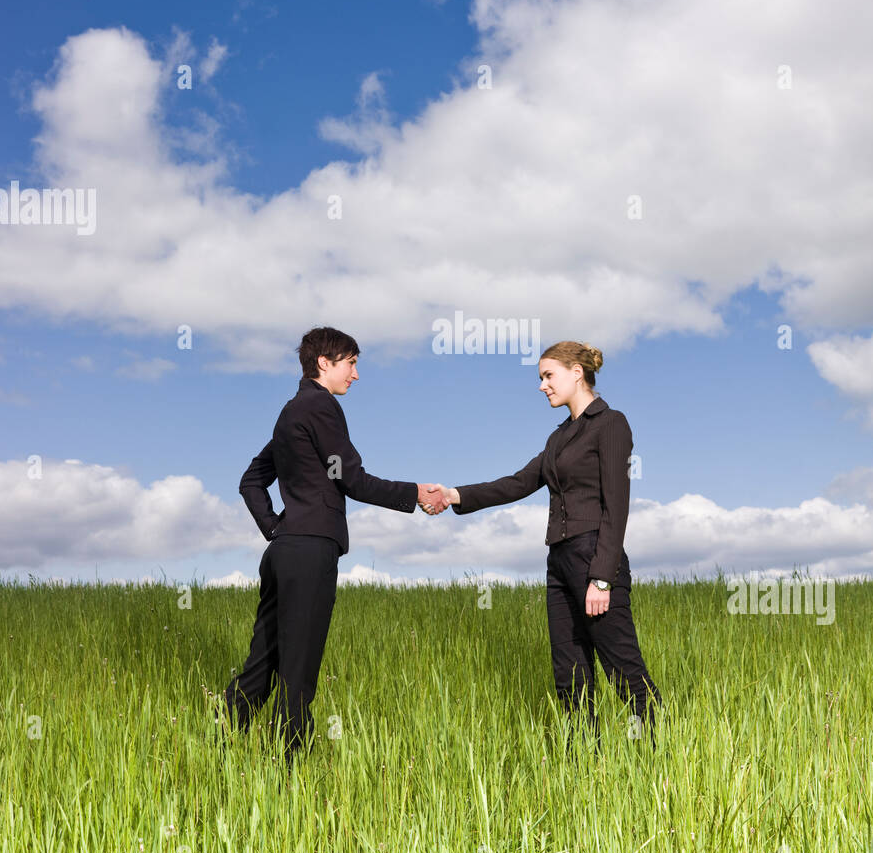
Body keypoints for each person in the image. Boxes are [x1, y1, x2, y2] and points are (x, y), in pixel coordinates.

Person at [221, 325, 446, 762]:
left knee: (261, 664)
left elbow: (251, 480)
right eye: (352, 363)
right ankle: (287, 774)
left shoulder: (291, 413)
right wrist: (415, 492)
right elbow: (352, 478)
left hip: (283, 552)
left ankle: (217, 750)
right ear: (324, 363)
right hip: (309, 552)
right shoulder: (321, 407)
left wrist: (275, 530)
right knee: (298, 670)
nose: (356, 375)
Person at [437, 341, 661, 750]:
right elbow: (518, 482)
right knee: (569, 672)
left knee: (622, 668)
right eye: (540, 377)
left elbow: (617, 505)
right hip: (559, 561)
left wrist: (602, 579)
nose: (542, 385)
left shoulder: (611, 424)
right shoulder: (559, 438)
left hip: (594, 555)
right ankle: (582, 764)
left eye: (548, 375)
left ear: (577, 372)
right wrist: (454, 495)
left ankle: (653, 759)